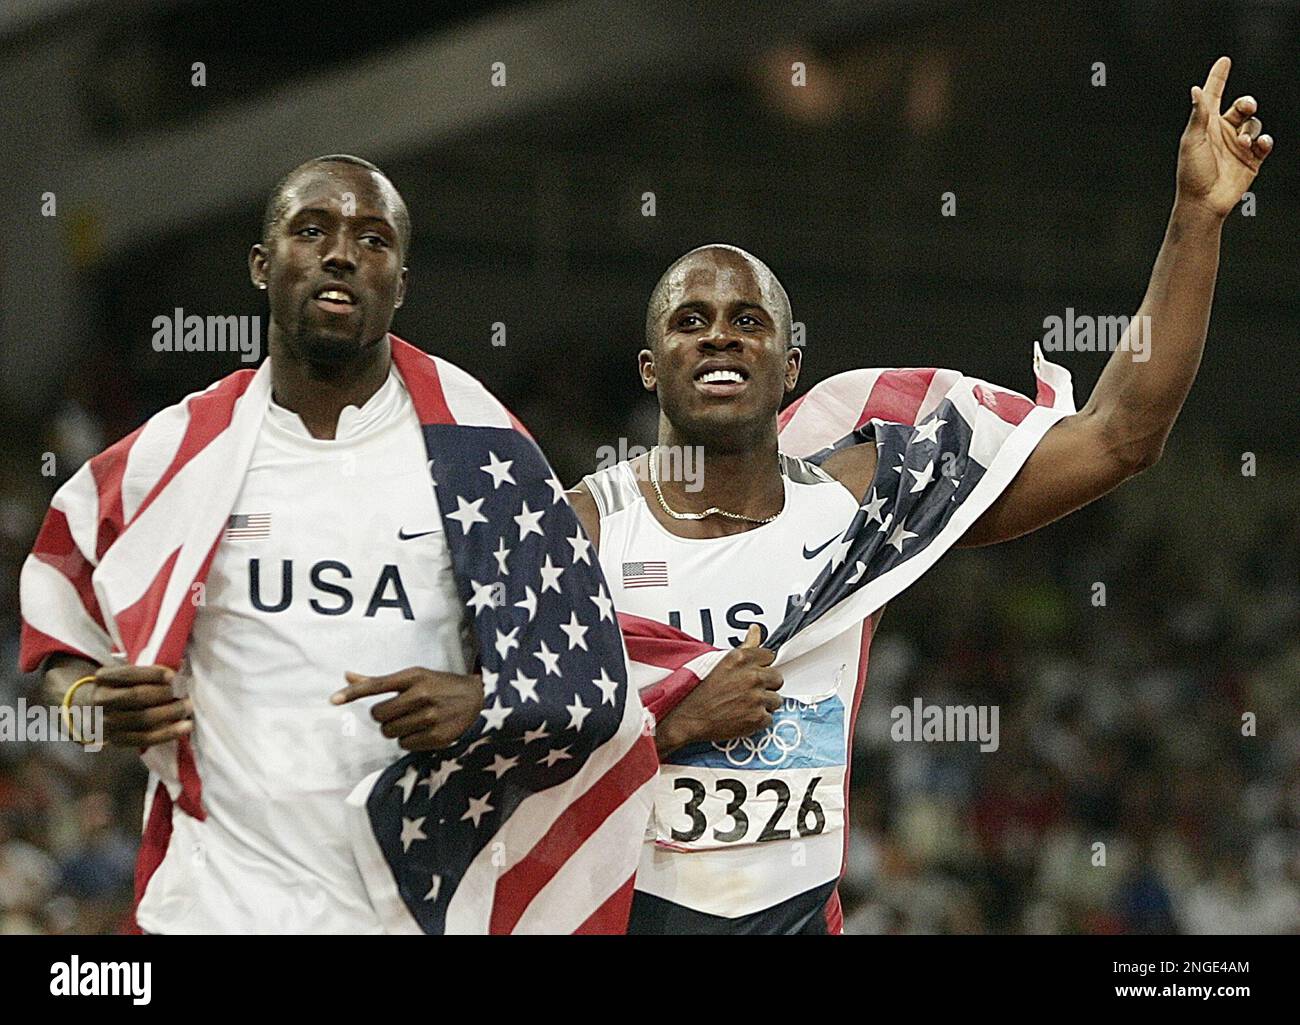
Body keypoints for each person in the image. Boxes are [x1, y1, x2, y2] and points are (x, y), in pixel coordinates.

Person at [568, 57, 1271, 933]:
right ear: (650, 367)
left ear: (790, 368)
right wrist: (666, 731)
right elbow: (494, 744)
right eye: (690, 321)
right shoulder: (578, 530)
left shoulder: (864, 507)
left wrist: (1196, 218)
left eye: (749, 321)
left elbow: (1119, 436)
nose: (720, 337)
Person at [20, 155, 652, 934]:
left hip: (403, 909)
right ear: (262, 265)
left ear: (401, 282)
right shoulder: (177, 452)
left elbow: (594, 687)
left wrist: (484, 706)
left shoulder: (482, 451)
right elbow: (59, 605)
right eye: (311, 230)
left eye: (372, 239)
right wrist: (84, 701)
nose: (341, 253)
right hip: (211, 904)